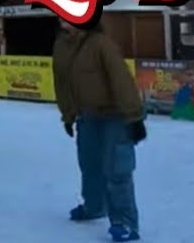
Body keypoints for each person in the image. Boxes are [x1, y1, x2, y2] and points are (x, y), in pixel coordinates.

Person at [52, 19, 147, 242]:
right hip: (87, 116)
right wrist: (68, 114)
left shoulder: (101, 43)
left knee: (117, 169)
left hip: (115, 116)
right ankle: (94, 207)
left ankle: (125, 222)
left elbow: (121, 79)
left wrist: (134, 116)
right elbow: (61, 83)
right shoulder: (61, 45)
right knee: (90, 165)